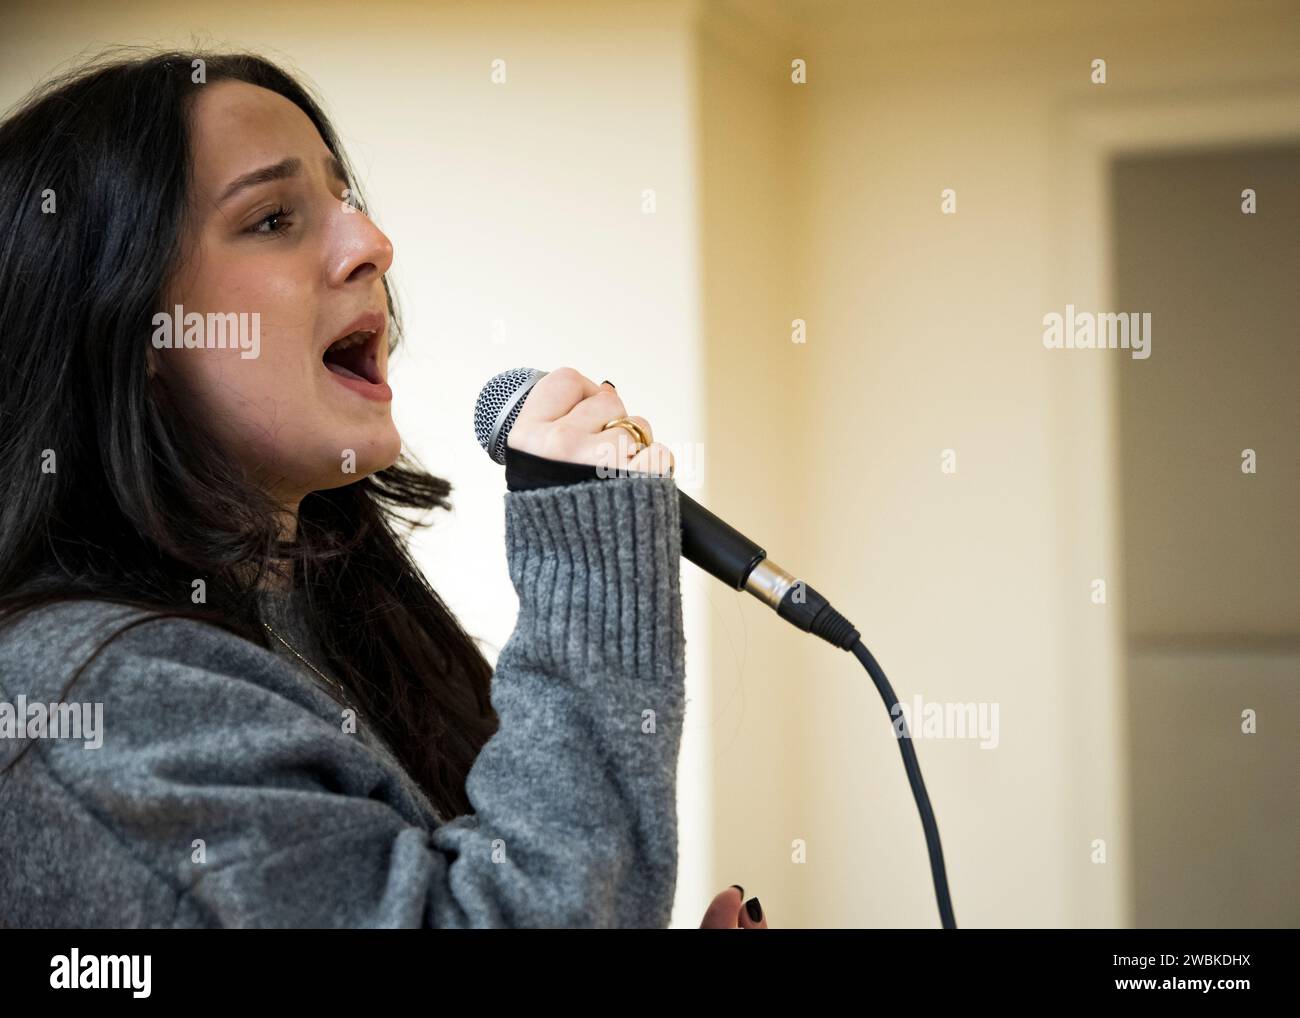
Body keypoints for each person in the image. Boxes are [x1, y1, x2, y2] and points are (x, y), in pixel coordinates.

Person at [0, 49, 767, 929]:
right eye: (274, 216)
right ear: (129, 327)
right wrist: (593, 569)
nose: (372, 244)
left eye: (344, 201)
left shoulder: (343, 632)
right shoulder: (87, 695)